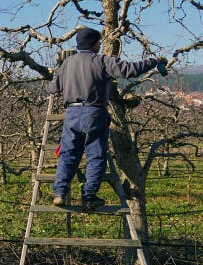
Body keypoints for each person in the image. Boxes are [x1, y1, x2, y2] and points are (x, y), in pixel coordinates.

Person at [47, 27, 166, 209]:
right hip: (94, 113)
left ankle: (60, 193)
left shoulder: (67, 63)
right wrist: (153, 61)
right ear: (94, 44)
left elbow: (52, 88)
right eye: (99, 43)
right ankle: (89, 197)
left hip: (71, 113)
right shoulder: (101, 61)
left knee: (68, 154)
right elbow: (129, 70)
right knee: (96, 156)